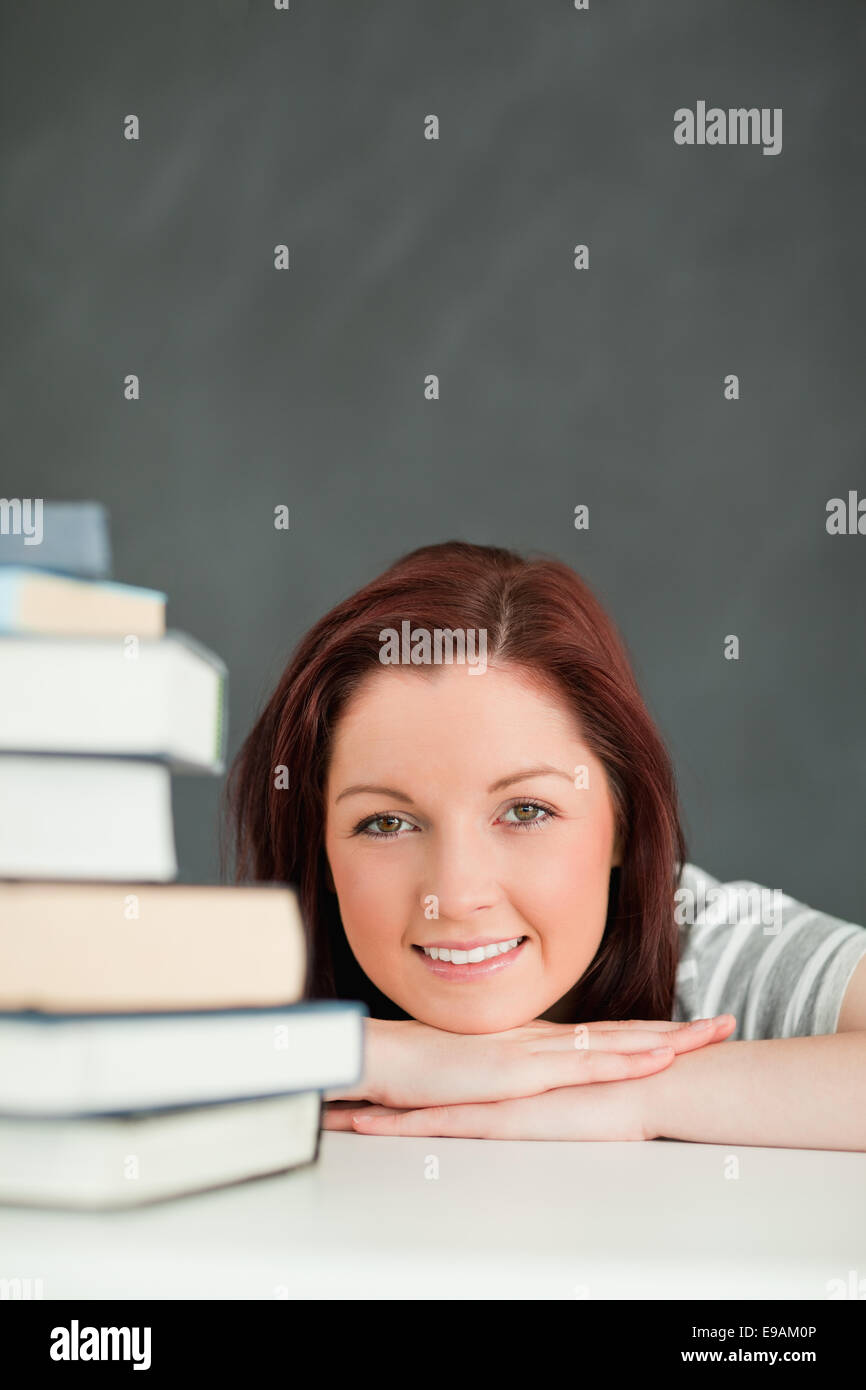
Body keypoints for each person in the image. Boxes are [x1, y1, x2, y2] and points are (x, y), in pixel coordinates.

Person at [225, 541, 866, 1149]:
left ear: (624, 824)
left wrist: (632, 1094)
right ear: (323, 852)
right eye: (387, 823)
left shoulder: (703, 942)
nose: (456, 895)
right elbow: (125, 1060)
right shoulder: (263, 966)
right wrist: (379, 1056)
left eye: (526, 810)